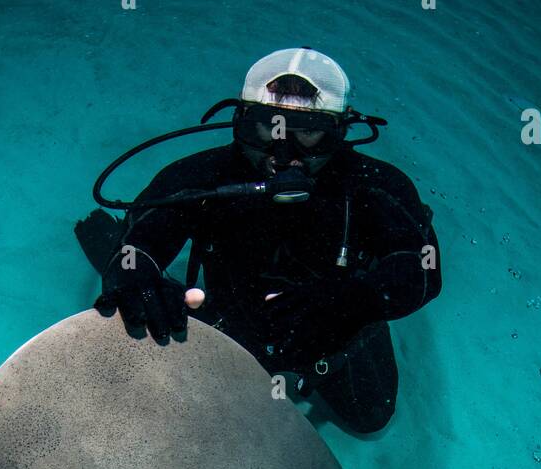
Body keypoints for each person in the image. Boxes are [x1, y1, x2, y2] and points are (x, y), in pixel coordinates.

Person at [77, 48, 441, 434]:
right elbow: (143, 243)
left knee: (370, 417)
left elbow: (423, 269)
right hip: (231, 316)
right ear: (240, 122)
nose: (284, 154)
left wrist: (355, 301)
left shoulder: (376, 185)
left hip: (337, 327)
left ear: (341, 131)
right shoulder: (202, 176)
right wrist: (133, 274)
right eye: (268, 127)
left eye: (309, 132)